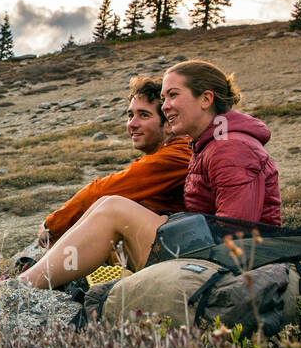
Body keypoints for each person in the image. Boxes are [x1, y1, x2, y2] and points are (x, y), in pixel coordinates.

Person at [12, 60, 281, 291]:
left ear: (206, 99)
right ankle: (35, 280)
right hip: (204, 260)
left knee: (114, 209)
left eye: (173, 96)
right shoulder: (207, 146)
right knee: (112, 209)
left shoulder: (231, 148)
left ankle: (22, 287)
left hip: (224, 275)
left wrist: (173, 225)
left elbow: (236, 239)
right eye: (164, 98)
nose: (166, 106)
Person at [35, 75, 190, 249]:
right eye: (130, 115)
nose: (132, 124)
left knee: (109, 206)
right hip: (177, 239)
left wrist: (52, 226)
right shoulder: (169, 151)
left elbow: (103, 190)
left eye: (144, 115)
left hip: (184, 246)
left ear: (169, 123)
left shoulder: (176, 155)